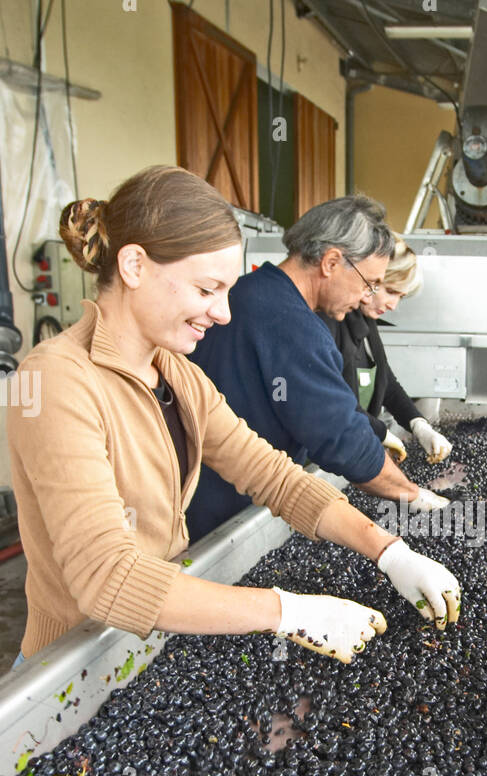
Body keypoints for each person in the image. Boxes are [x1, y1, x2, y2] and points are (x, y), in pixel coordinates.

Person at [6, 167, 460, 668]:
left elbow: (274, 477)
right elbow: (107, 576)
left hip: (158, 645)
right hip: (74, 669)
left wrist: (389, 551)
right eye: (206, 290)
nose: (224, 313)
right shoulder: (55, 381)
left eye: (227, 291)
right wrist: (282, 609)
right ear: (134, 265)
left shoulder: (177, 374)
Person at [186, 199, 445, 544]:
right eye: (369, 283)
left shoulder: (250, 291)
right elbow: (341, 438)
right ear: (332, 262)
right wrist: (412, 494)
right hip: (225, 515)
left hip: (202, 492)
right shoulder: (293, 325)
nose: (367, 296)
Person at [321, 236, 454, 468]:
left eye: (401, 297)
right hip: (325, 457)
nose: (393, 305)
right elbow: (335, 402)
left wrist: (418, 424)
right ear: (371, 280)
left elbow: (386, 383)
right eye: (391, 291)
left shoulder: (368, 321)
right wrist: (381, 433)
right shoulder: (331, 323)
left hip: (355, 451)